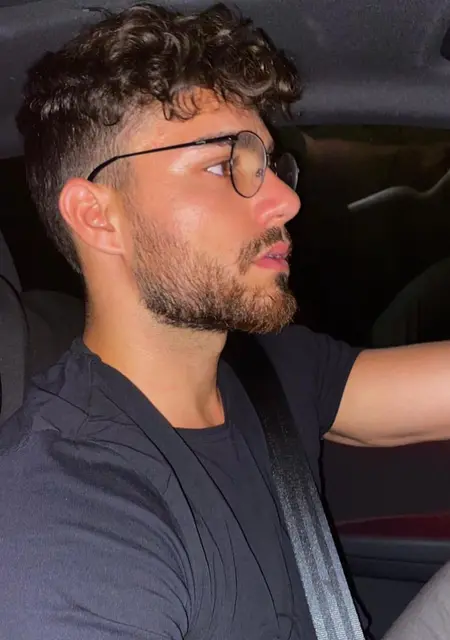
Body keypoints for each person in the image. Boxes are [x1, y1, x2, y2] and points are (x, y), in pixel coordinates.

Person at [1, 3, 450, 638]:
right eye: (221, 166)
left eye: (270, 166)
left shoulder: (269, 368)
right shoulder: (64, 516)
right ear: (99, 217)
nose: (287, 200)